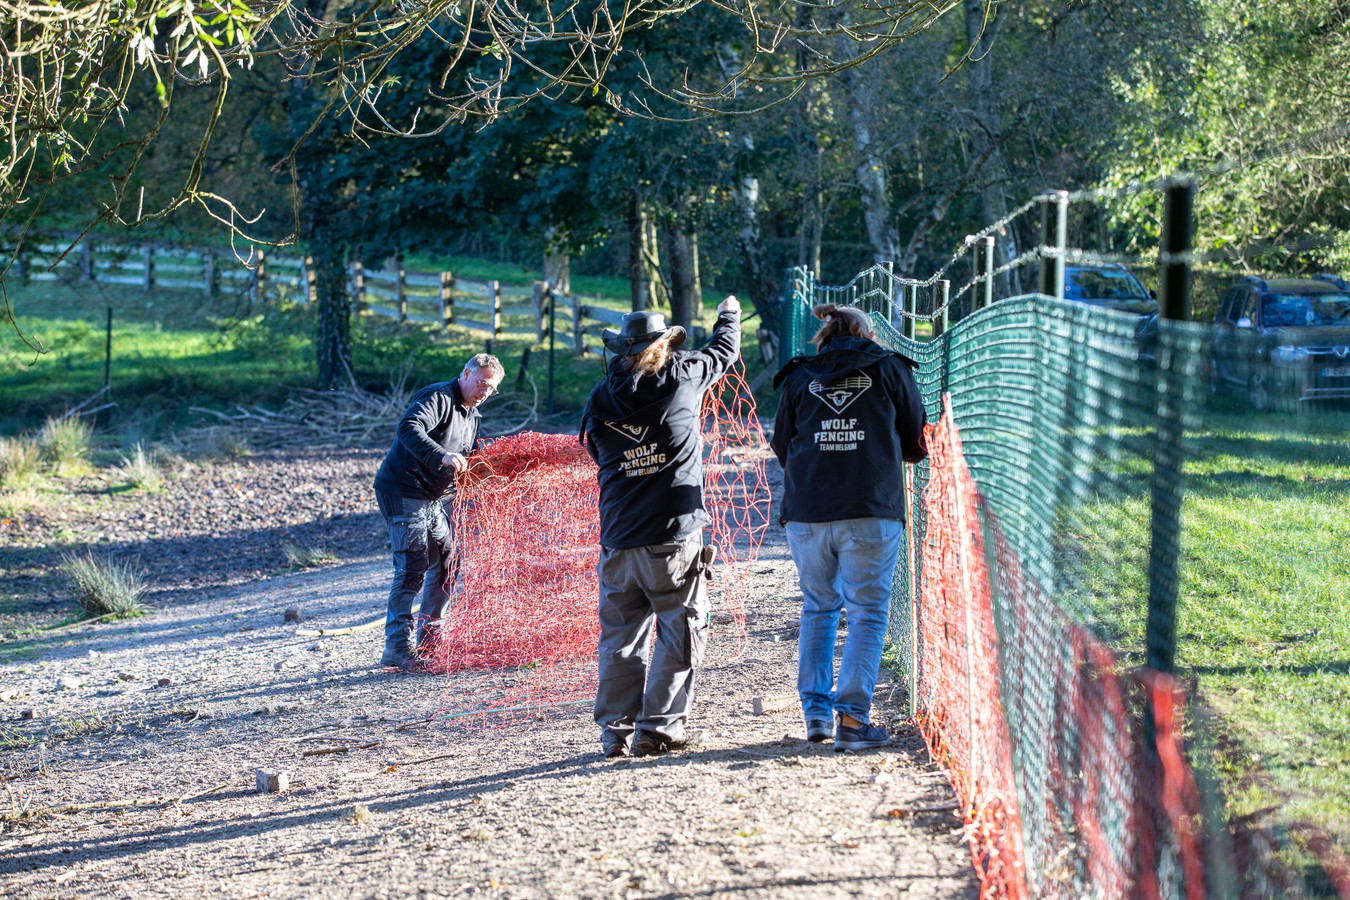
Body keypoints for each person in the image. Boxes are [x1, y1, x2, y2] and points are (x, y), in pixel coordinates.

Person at [581, 297, 742, 759]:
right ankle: (659, 729)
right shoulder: (684, 375)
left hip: (616, 537)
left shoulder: (600, 397)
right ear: (664, 345)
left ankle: (615, 731)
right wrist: (728, 314)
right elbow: (724, 351)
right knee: (681, 630)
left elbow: (598, 453)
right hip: (671, 539)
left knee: (619, 639)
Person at [770, 304, 926, 750]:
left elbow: (783, 444)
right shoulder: (890, 369)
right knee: (867, 614)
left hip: (807, 514)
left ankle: (816, 715)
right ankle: (853, 721)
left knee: (819, 608)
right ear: (867, 334)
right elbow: (917, 441)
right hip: (871, 509)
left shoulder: (800, 376)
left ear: (827, 333)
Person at [373, 352, 505, 670]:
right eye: (482, 383)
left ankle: (431, 643)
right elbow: (408, 428)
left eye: (492, 389)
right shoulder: (438, 396)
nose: (485, 392)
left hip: (431, 498)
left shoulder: (473, 417)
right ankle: (397, 648)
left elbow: (470, 460)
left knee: (448, 563)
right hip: (402, 489)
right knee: (412, 566)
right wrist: (442, 456)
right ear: (465, 373)